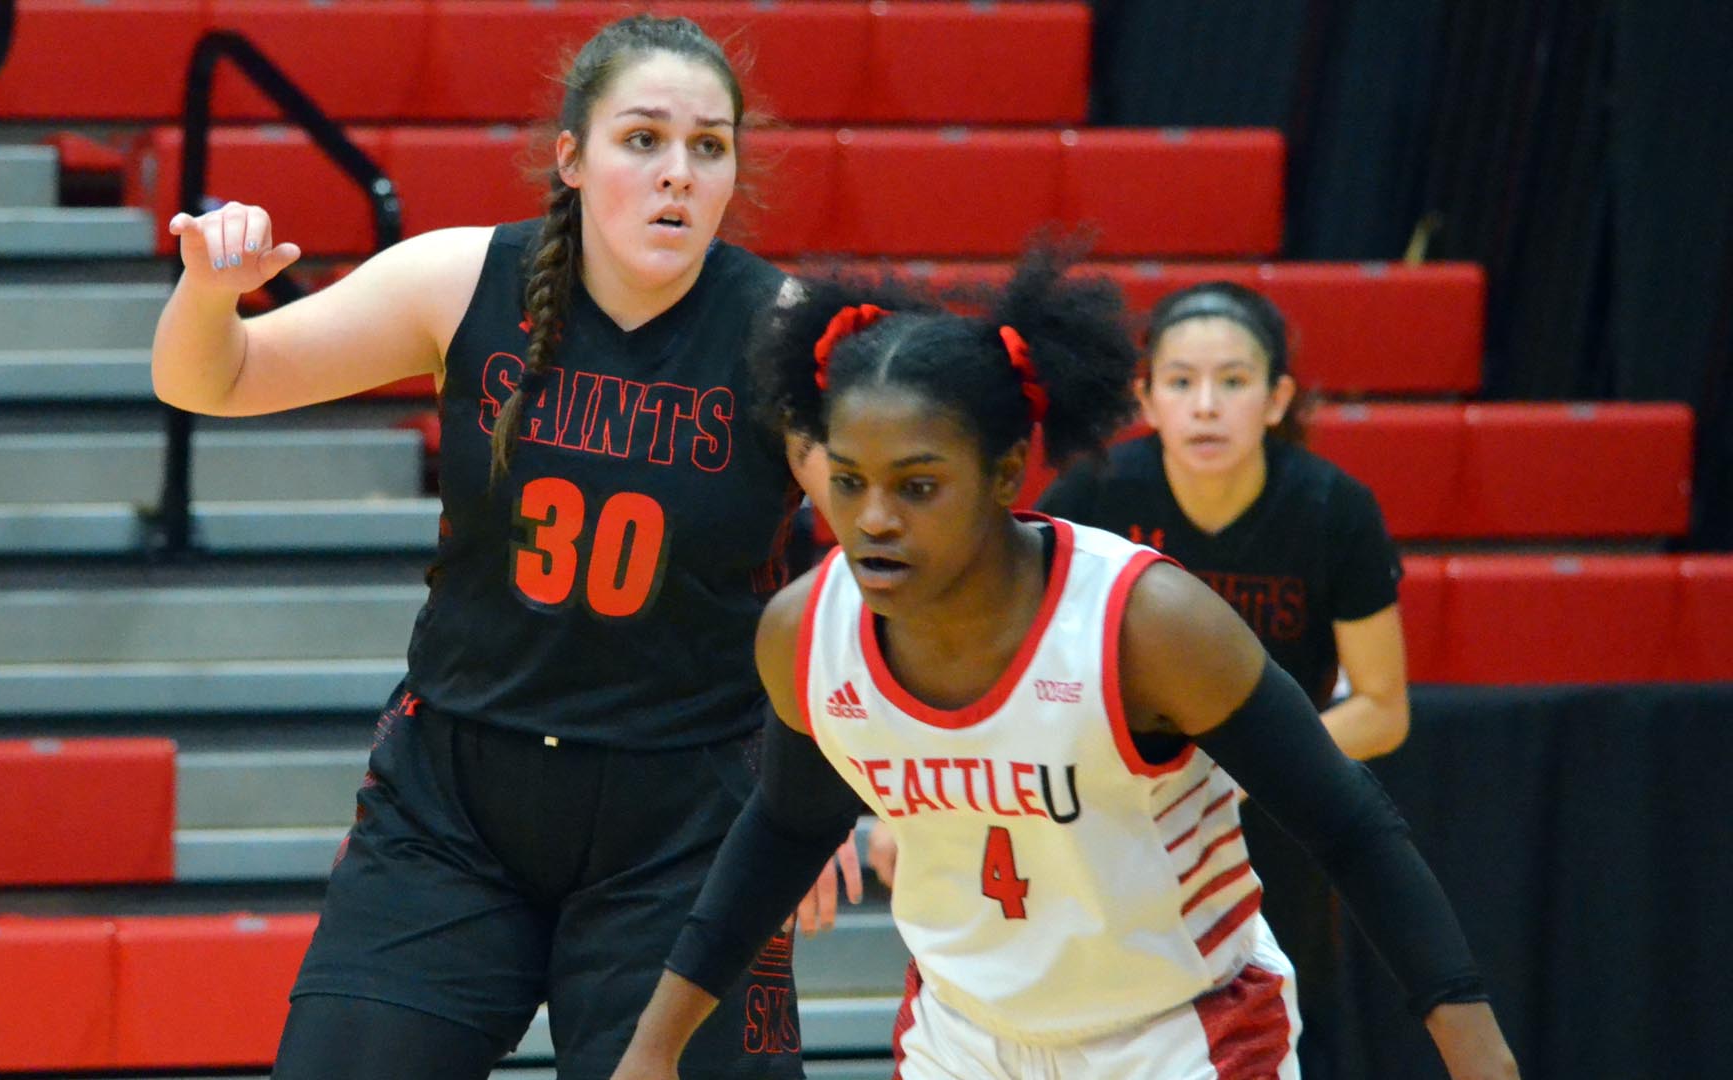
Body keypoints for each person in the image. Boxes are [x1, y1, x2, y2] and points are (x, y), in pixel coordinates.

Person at [608, 246, 1520, 1080]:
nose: (875, 518)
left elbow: (1348, 826)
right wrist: (653, 1048)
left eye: (918, 486)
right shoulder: (805, 632)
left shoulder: (1147, 625)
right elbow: (785, 827)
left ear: (1005, 474)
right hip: (961, 1037)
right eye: (848, 482)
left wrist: (1476, 1049)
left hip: (1181, 1035)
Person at [150, 15, 858, 1079]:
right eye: (644, 139)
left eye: (709, 147)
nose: (678, 173)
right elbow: (213, 378)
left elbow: (890, 559)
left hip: (690, 825)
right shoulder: (461, 280)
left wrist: (819, 790)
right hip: (453, 808)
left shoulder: (784, 334)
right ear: (572, 157)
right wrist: (209, 293)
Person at [1032, 280, 1409, 1076]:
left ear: (1277, 400)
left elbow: (1382, 708)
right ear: (1147, 398)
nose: (1206, 406)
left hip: (1278, 821)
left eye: (1233, 381)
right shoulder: (1092, 495)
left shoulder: (1335, 510)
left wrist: (1245, 766)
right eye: (1181, 381)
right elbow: (1022, 656)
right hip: (1116, 818)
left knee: (1274, 1033)